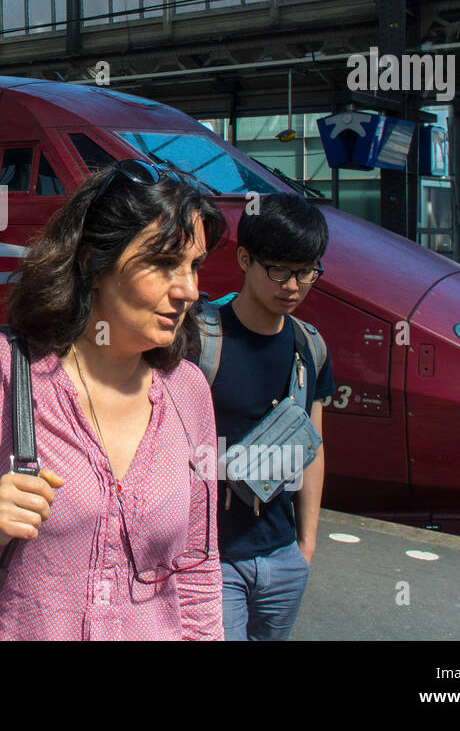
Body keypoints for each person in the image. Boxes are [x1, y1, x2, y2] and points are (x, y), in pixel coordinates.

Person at [0, 161, 227, 640]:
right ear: (92, 263)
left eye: (194, 266)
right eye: (164, 263)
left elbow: (199, 564)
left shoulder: (187, 390)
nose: (188, 289)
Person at [200, 192, 334, 642]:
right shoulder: (201, 342)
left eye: (305, 271)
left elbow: (311, 447)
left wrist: (306, 546)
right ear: (244, 258)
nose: (292, 286)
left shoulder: (310, 347)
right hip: (212, 556)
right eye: (278, 269)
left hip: (282, 554)